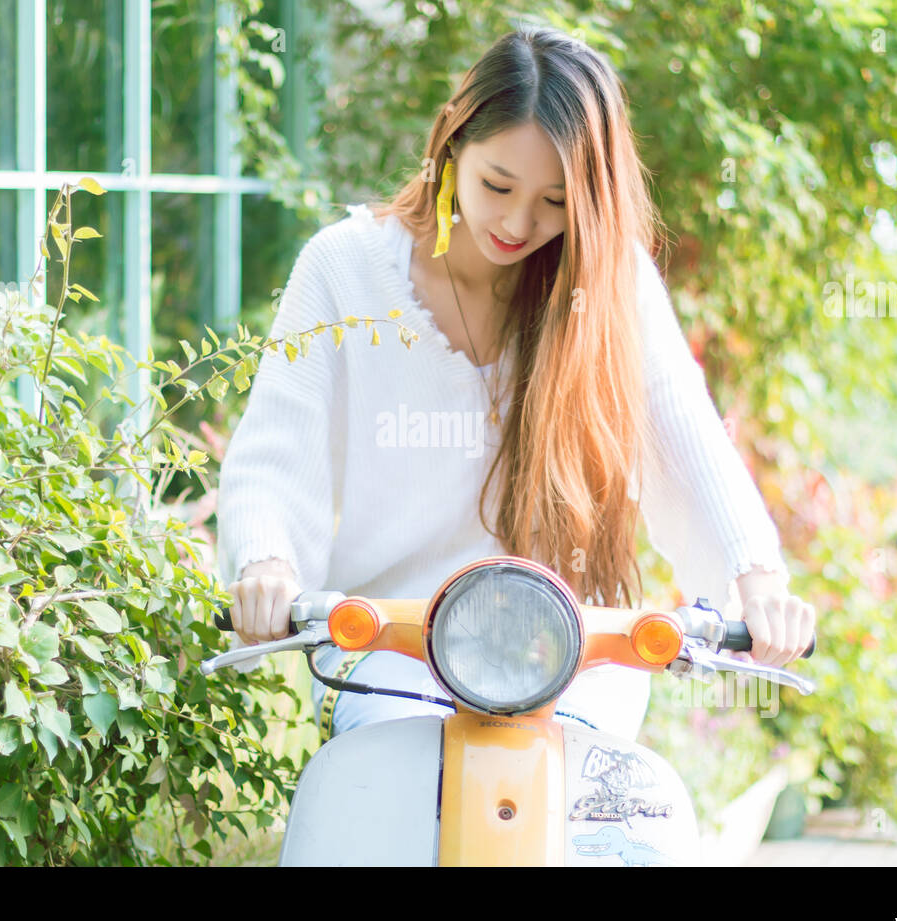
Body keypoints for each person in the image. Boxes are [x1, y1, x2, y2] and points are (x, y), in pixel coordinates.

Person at [216, 26, 816, 742]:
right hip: (397, 658)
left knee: (609, 832)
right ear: (452, 145)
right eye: (496, 185)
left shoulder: (609, 281)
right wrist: (267, 563)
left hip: (569, 659)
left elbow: (685, 438)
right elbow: (280, 446)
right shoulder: (344, 268)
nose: (516, 222)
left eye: (555, 203)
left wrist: (759, 581)